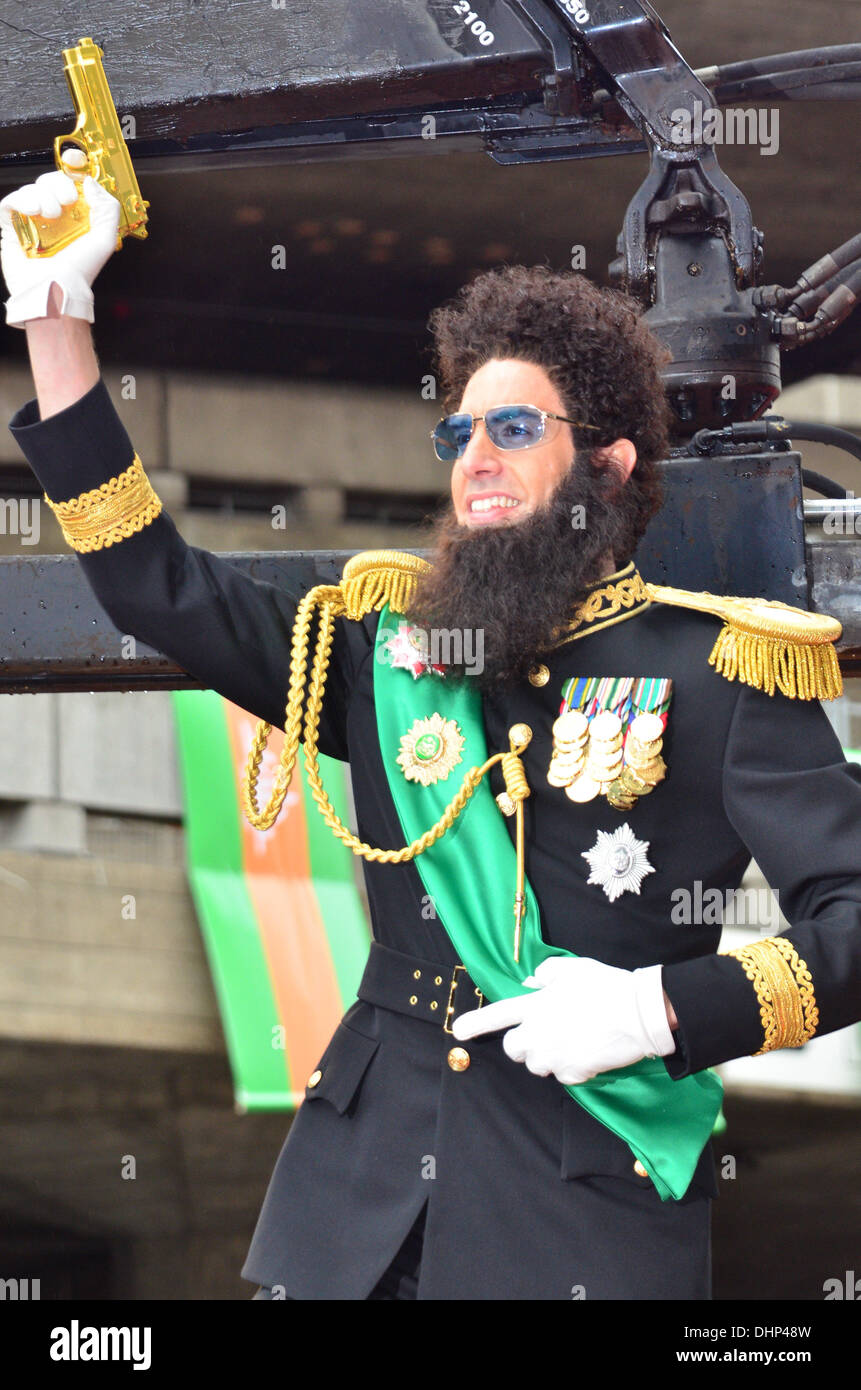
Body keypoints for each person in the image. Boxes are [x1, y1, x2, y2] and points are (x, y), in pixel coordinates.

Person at [2, 169, 860, 1302]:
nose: (474, 458)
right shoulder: (377, 642)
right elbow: (155, 587)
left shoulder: (722, 669)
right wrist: (55, 323)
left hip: (577, 1216)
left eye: (514, 428)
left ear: (606, 465)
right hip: (351, 1207)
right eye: (460, 430)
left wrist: (655, 1010)